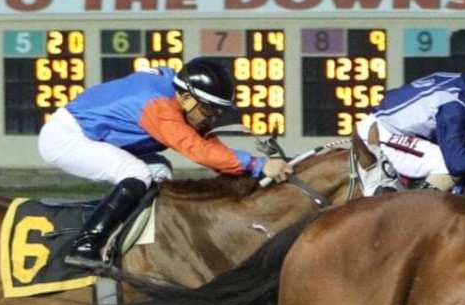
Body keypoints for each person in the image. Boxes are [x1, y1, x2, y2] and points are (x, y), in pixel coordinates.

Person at [38, 58, 291, 268]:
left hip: (96, 134)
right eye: (209, 110)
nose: (212, 118)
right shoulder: (160, 107)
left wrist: (256, 165)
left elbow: (208, 145)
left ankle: (141, 244)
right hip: (68, 138)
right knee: (136, 172)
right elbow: (199, 151)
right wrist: (258, 165)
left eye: (217, 112)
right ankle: (86, 245)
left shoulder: (179, 92)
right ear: (188, 98)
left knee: (160, 172)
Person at [354, 55, 465, 195]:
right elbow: (458, 164)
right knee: (446, 166)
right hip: (383, 134)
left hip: (389, 125)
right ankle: (415, 214)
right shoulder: (454, 108)